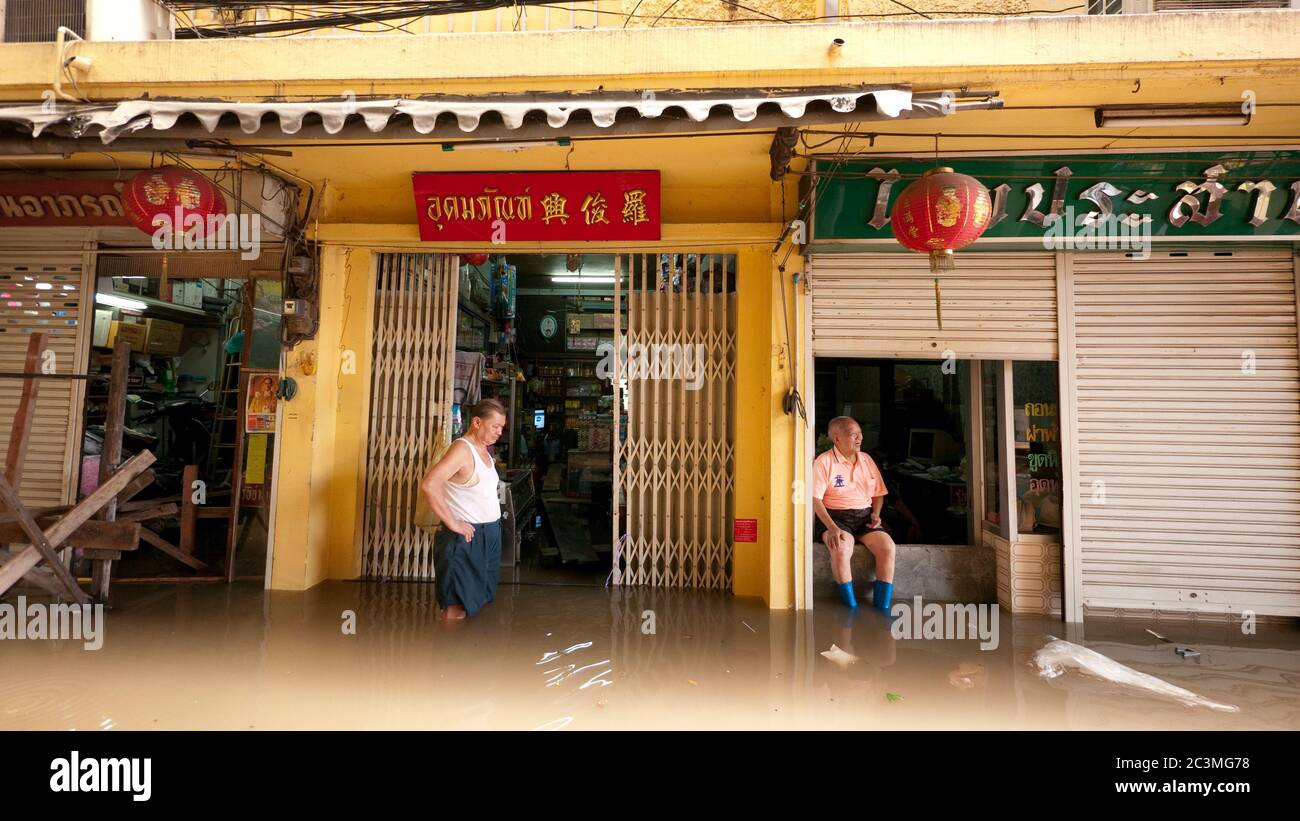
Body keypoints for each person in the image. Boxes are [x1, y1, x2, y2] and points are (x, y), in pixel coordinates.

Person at [419, 399, 506, 620]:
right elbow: (430, 484)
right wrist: (452, 522)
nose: (499, 432)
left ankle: (470, 651)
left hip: (488, 534)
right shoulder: (462, 449)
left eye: (502, 428)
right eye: (495, 426)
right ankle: (448, 651)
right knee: (456, 607)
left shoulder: (484, 451)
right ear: (477, 422)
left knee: (480, 598)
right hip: (465, 537)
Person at [811, 416, 897, 611]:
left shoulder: (866, 459)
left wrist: (876, 514)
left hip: (865, 517)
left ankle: (882, 606)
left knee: (888, 547)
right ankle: (852, 607)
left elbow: (878, 494)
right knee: (840, 548)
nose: (859, 438)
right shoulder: (824, 462)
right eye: (852, 434)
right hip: (835, 518)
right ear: (837, 438)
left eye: (860, 434)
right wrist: (831, 527)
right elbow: (815, 499)